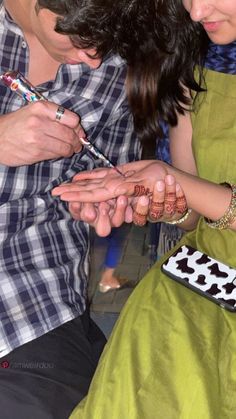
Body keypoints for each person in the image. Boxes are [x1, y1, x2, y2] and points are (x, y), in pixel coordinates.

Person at [53, 0, 236, 418]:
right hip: (199, 288)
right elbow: (193, 217)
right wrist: (159, 200)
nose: (195, 11)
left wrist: (178, 183)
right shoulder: (195, 73)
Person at [0, 1, 142, 418]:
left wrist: (111, 199)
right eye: (79, 37)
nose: (95, 57)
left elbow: (114, 170)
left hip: (28, 298)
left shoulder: (116, 66)